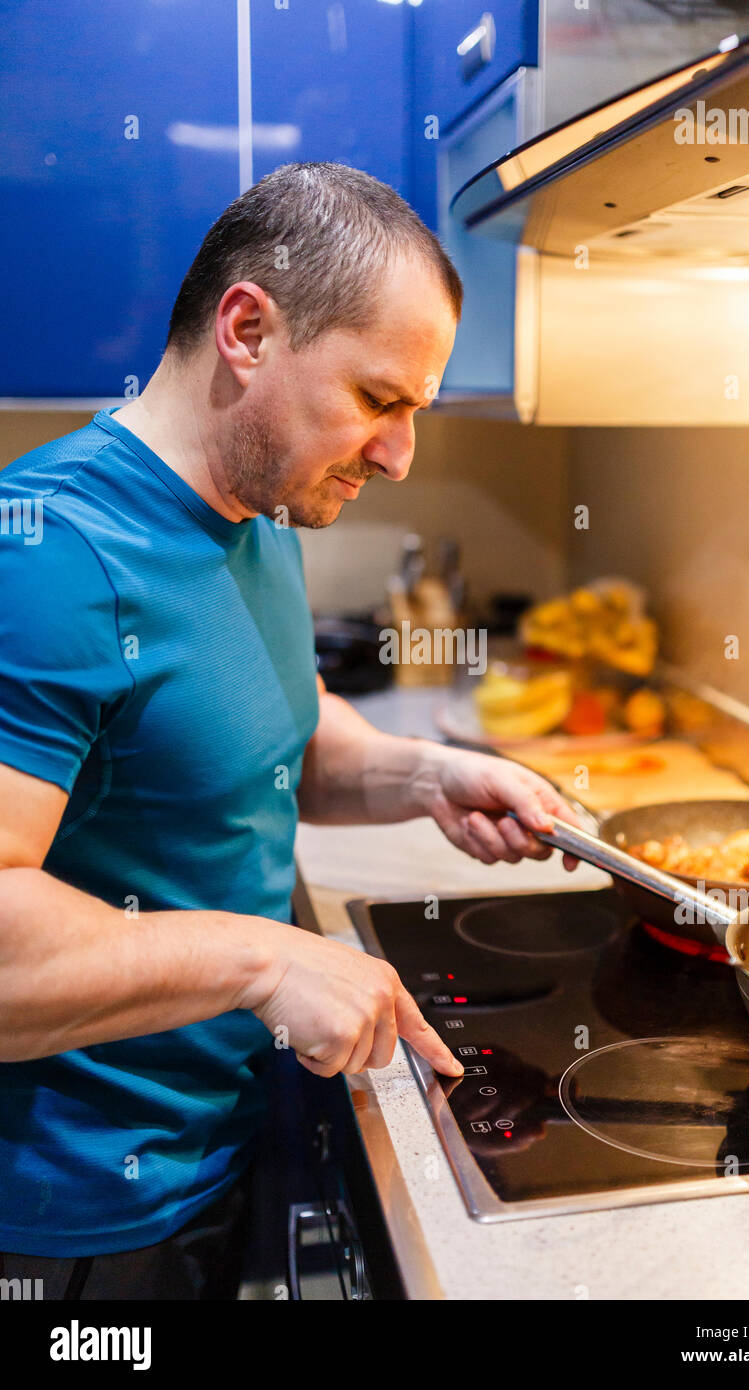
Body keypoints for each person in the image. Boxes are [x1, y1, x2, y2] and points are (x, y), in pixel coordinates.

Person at [0, 162, 583, 1299]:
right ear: (248, 330)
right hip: (77, 1221)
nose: (400, 453)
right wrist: (267, 960)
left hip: (222, 1136)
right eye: (379, 400)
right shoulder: (51, 557)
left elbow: (282, 746)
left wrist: (431, 774)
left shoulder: (259, 509)